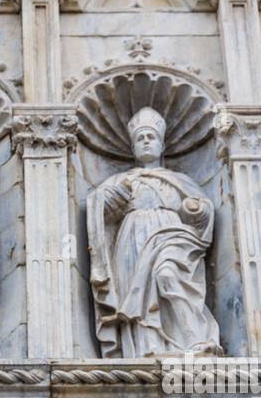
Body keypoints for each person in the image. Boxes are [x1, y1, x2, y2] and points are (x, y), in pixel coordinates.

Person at [86, 107, 221, 357]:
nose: (146, 141)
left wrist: (197, 209)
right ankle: (147, 349)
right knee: (136, 292)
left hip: (171, 234)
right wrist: (107, 201)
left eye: (151, 137)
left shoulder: (179, 180)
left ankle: (193, 340)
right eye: (140, 138)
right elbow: (96, 208)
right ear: (133, 147)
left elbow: (205, 214)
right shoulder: (120, 180)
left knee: (168, 274)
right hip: (131, 239)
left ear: (162, 145)